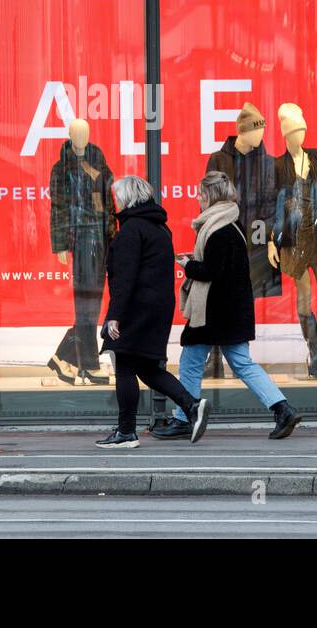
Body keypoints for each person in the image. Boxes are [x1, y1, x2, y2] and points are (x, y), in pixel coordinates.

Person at [153, 172, 302, 441]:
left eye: (201, 194)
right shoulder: (230, 224)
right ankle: (282, 409)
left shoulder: (217, 229)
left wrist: (187, 265)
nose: (198, 198)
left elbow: (210, 271)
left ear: (210, 196)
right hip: (232, 309)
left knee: (190, 362)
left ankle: (185, 417)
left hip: (213, 311)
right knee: (242, 363)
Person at [97, 175, 209, 449]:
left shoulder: (131, 230)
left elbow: (125, 278)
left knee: (123, 364)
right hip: (157, 308)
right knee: (147, 368)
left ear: (127, 198)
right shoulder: (160, 229)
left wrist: (115, 315)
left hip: (135, 308)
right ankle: (191, 405)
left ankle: (126, 432)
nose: (116, 202)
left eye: (118, 197)